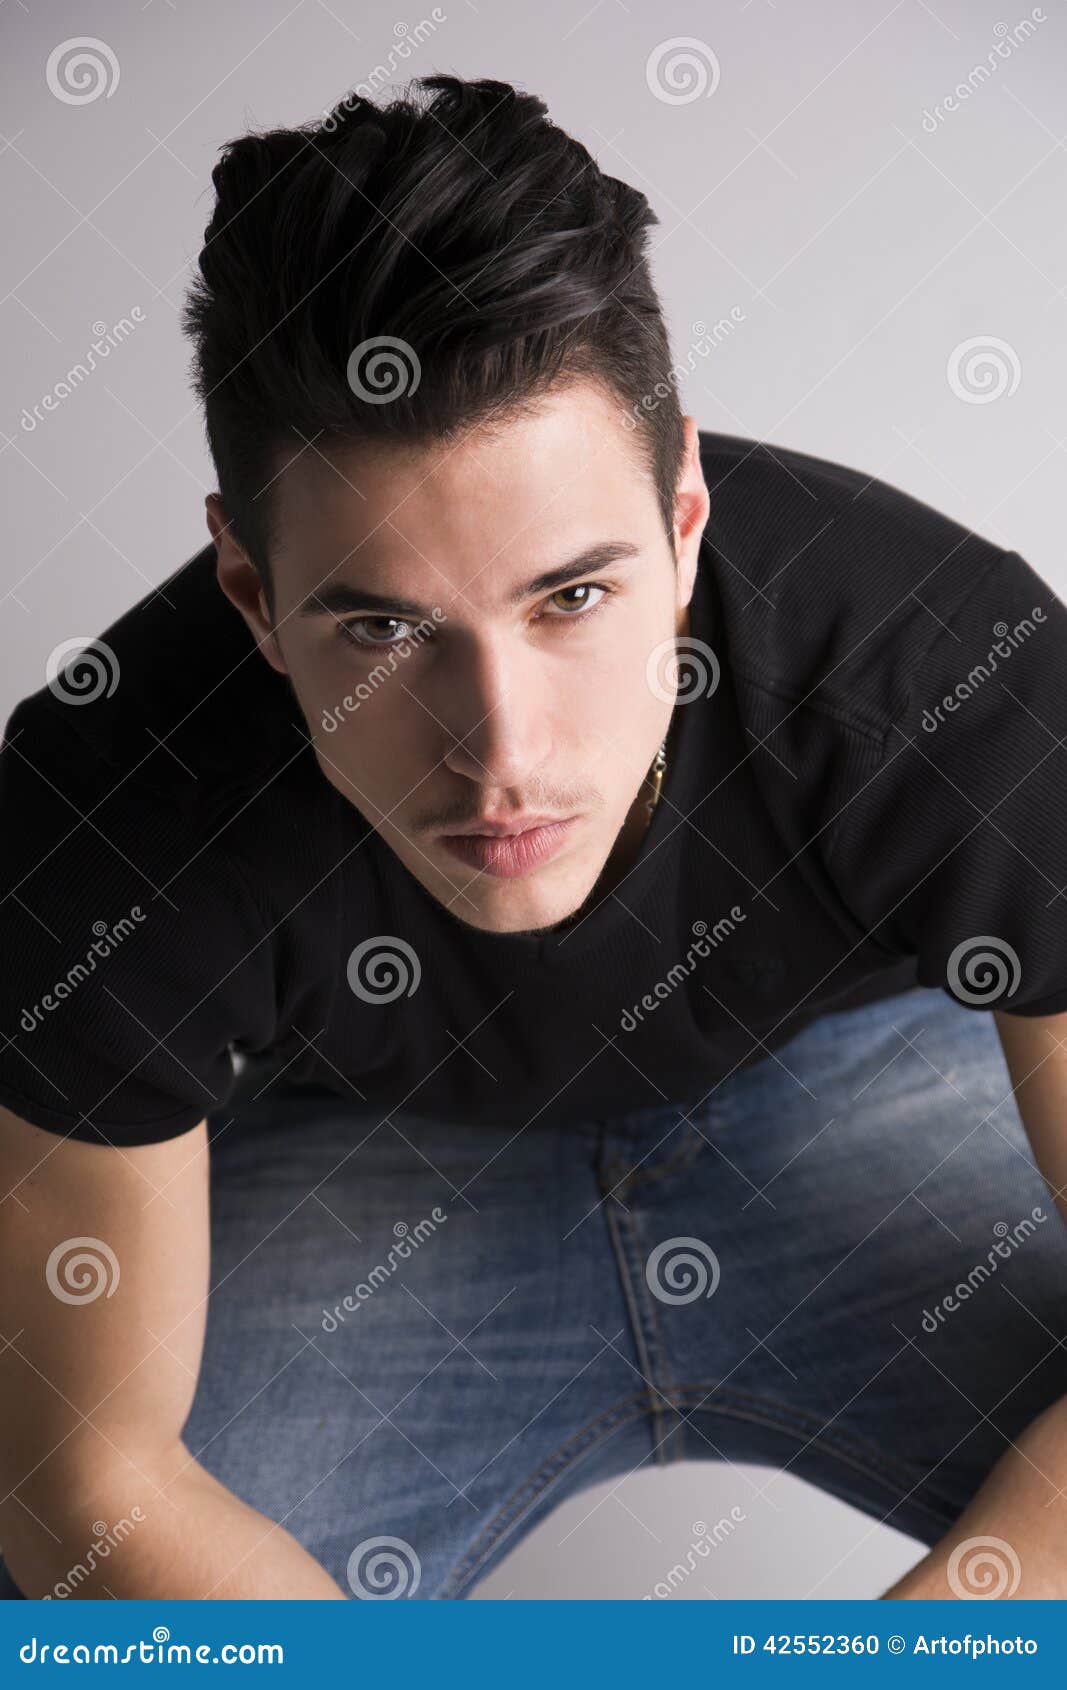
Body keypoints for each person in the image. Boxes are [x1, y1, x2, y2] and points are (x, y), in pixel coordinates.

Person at [2, 74, 1067, 1603]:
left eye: (572, 597)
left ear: (685, 513)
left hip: (835, 1088)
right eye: (382, 628)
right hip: (389, 1170)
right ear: (250, 594)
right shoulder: (100, 821)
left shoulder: (942, 669)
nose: (501, 752)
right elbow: (89, 1485)